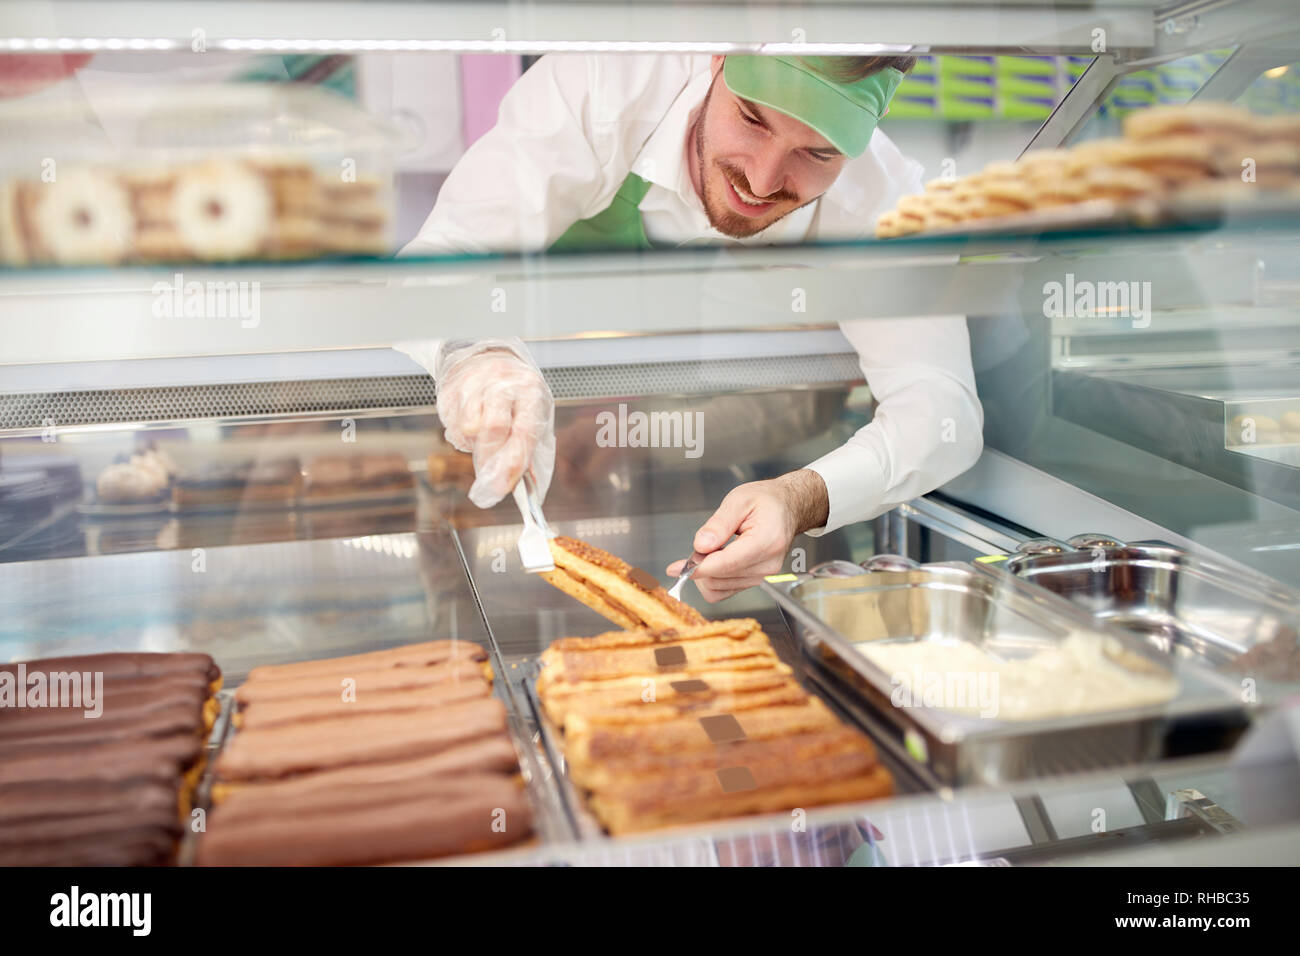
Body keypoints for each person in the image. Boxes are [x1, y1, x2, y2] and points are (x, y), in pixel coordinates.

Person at [405, 53, 983, 600]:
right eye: (752, 120)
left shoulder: (882, 197)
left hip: (709, 482)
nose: (761, 181)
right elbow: (445, 255)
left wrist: (799, 498)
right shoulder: (602, 88)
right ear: (717, 59)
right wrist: (479, 358)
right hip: (504, 453)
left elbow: (940, 408)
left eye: (819, 154)